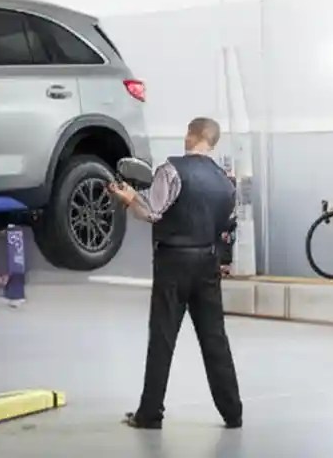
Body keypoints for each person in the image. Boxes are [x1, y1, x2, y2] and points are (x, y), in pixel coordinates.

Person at [107, 117, 243, 430]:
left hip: (173, 264)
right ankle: (233, 413)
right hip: (208, 263)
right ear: (213, 141)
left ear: (190, 135)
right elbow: (228, 226)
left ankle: (150, 414)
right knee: (215, 340)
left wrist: (128, 198)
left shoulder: (171, 169)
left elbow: (153, 211)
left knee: (163, 339)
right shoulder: (226, 181)